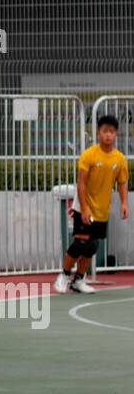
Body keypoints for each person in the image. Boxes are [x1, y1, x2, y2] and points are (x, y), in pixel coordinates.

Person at [54, 114, 129, 294]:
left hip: (101, 210)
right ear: (98, 133)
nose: (108, 135)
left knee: (93, 245)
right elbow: (82, 183)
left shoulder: (119, 159)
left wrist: (124, 203)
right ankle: (63, 275)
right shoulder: (89, 155)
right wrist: (85, 209)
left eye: (111, 132)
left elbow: (122, 182)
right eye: (105, 131)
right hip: (84, 207)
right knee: (80, 242)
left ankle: (78, 280)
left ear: (116, 134)